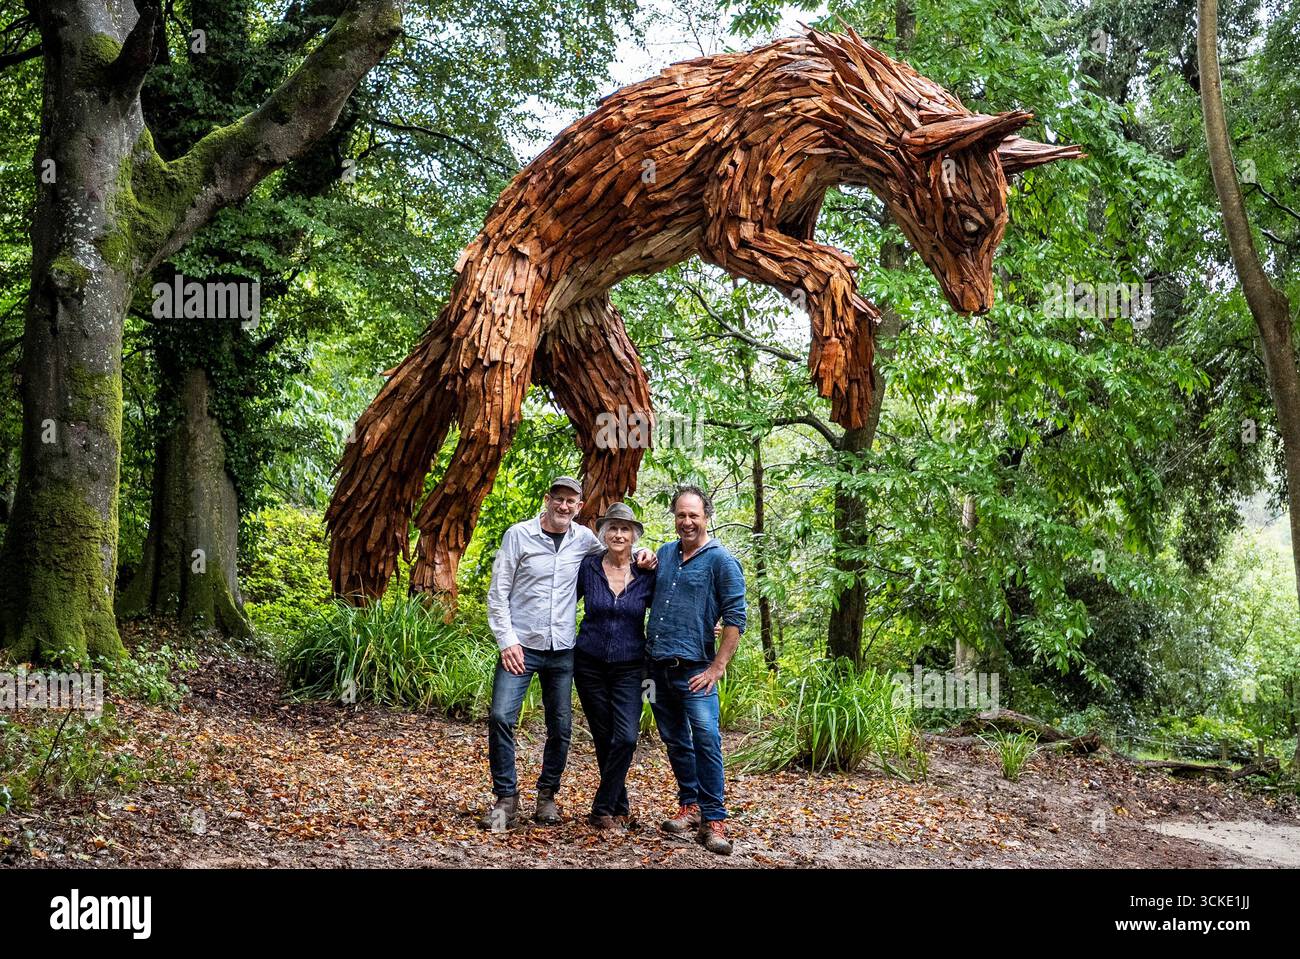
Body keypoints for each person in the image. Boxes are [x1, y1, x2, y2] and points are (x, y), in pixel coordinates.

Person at [480, 477, 655, 830]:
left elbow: (618, 551)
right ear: (547, 499)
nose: (563, 506)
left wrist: (643, 552)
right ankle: (505, 798)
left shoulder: (584, 541)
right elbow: (497, 593)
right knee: (501, 716)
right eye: (558, 499)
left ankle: (547, 796)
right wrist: (507, 641)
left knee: (560, 727)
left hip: (562, 650)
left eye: (571, 501)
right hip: (521, 646)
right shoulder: (518, 535)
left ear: (579, 506)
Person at [646, 485, 746, 855]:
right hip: (655, 669)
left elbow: (736, 618)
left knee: (706, 739)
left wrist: (718, 667)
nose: (686, 522)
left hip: (696, 671)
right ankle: (689, 806)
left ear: (707, 516)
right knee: (674, 739)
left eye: (693, 515)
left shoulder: (722, 560)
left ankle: (715, 819)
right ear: (674, 517)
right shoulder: (665, 553)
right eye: (680, 515)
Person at [572, 503, 655, 831]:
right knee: (604, 737)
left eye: (625, 529)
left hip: (631, 667)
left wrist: (711, 621)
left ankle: (601, 807)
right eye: (613, 528)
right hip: (588, 663)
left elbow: (669, 607)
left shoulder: (648, 573)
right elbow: (562, 601)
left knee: (625, 737)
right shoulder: (588, 567)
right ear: (603, 533)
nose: (619, 534)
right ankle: (617, 807)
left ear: (634, 536)